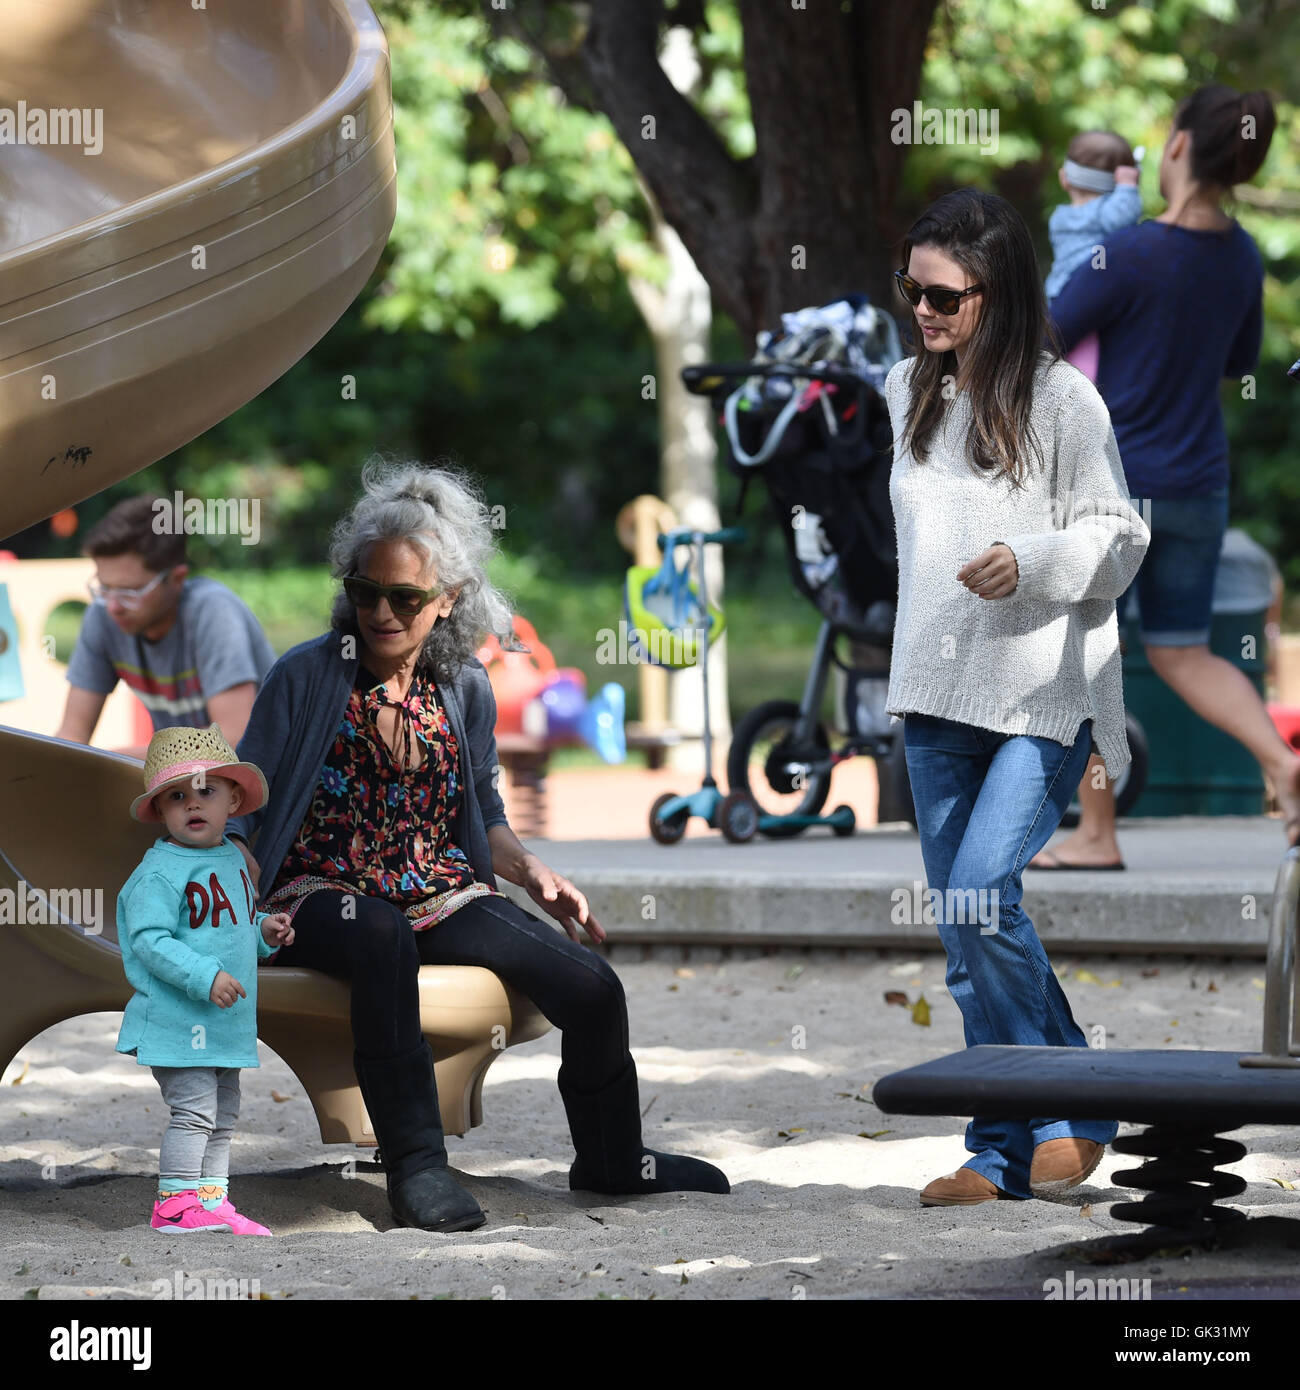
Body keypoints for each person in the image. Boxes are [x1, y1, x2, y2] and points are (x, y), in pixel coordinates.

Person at [226, 460, 730, 1233]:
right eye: (365, 592)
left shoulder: (462, 684)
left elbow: (483, 808)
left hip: (440, 886)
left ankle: (612, 1160)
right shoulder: (305, 675)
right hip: (320, 891)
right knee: (383, 935)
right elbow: (248, 794)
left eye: (405, 598)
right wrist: (234, 864)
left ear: (448, 600)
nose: (382, 612)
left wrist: (530, 872)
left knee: (592, 986)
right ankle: (417, 1168)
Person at [884, 188, 1151, 1205]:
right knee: (961, 928)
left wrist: (1030, 561)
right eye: (912, 290)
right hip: (934, 695)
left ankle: (1073, 1103)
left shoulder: (1062, 402)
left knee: (981, 894)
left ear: (995, 294)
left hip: (1037, 696)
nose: (924, 310)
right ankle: (1006, 1144)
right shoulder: (910, 386)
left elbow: (1120, 536)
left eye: (943, 295)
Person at [1032, 84, 1295, 870]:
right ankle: (1281, 762)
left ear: (1178, 147)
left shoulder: (1131, 252)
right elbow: (1241, 362)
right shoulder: (1242, 253)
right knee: (1183, 652)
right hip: (1200, 487)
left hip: (1118, 487)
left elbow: (1045, 336)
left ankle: (1096, 832)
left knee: (1084, 656)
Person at [115, 723, 295, 1235]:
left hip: (224, 1024)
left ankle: (210, 1201)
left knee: (223, 1115)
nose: (193, 804)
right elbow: (150, 940)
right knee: (194, 1113)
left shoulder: (230, 861)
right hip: (179, 1020)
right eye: (177, 796)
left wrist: (265, 932)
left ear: (234, 800)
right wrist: (205, 975)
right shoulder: (161, 870)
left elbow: (230, 928)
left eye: (206, 791)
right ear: (161, 810)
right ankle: (173, 1204)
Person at [58, 494, 276, 754]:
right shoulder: (102, 614)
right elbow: (72, 736)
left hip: (270, 781)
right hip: (193, 782)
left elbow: (232, 740)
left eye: (131, 592)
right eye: (104, 588)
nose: (114, 606)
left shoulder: (213, 613)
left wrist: (110, 760)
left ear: (176, 578)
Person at [1044, 130, 1142, 382]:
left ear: (1064, 178)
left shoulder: (1060, 217)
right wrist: (1128, 186)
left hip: (1058, 295)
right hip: (1090, 296)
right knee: (1088, 365)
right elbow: (1125, 214)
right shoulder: (1105, 214)